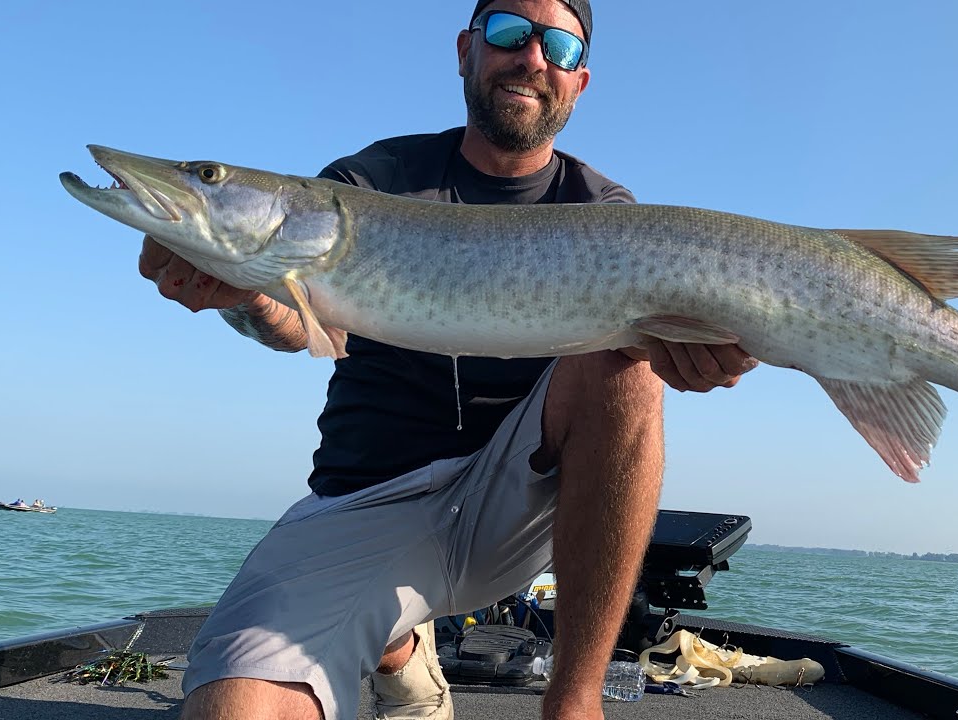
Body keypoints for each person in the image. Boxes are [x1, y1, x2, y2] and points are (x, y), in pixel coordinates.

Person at [140, 2, 755, 718]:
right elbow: (302, 328)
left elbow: (664, 359)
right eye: (508, 32)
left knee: (626, 364)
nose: (532, 57)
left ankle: (574, 700)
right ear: (466, 49)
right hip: (370, 499)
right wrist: (244, 295)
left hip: (517, 508)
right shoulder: (363, 182)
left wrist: (709, 355)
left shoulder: (602, 209)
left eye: (559, 46)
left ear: (579, 81)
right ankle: (397, 642)